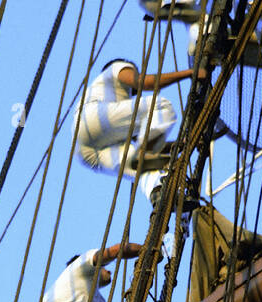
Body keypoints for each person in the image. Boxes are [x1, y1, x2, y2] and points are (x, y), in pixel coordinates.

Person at [74, 59, 197, 204]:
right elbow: (144, 82)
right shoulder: (116, 68)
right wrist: (189, 73)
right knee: (161, 106)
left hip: (85, 151)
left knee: (142, 167)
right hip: (93, 117)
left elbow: (143, 141)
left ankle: (158, 193)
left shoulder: (117, 110)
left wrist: (180, 144)